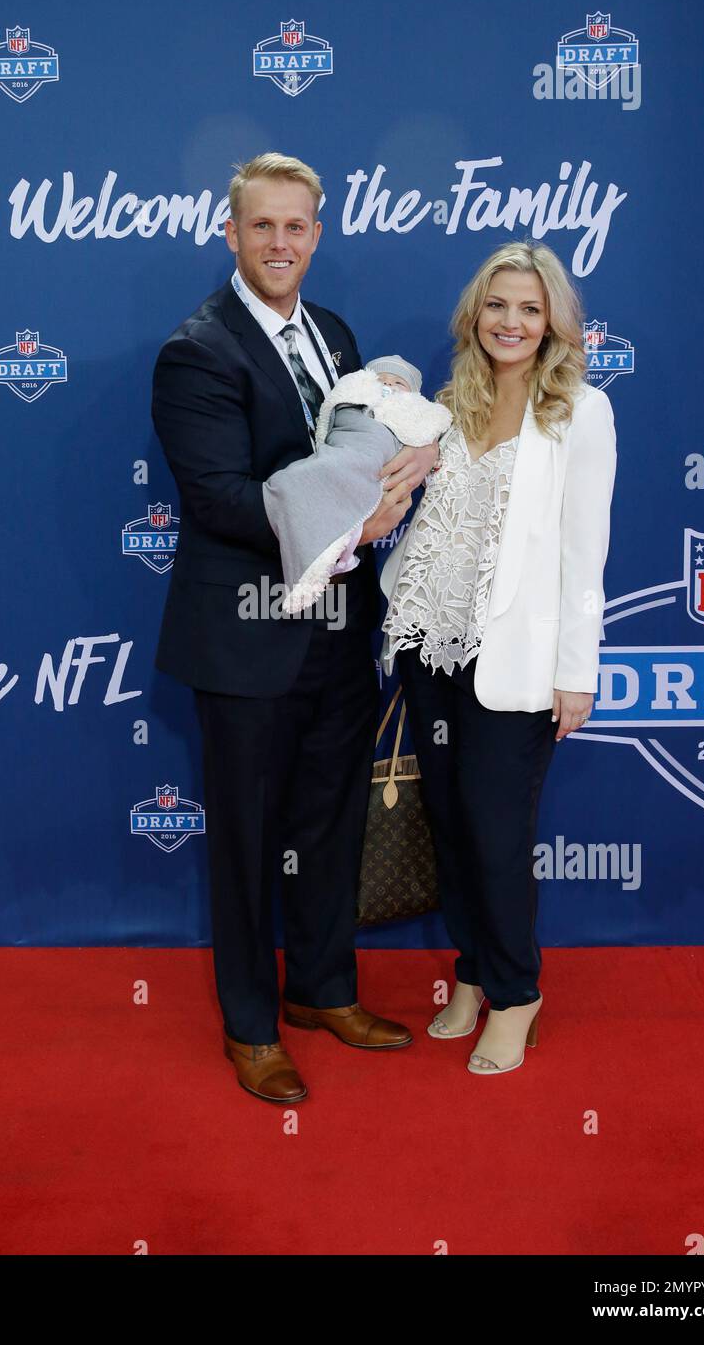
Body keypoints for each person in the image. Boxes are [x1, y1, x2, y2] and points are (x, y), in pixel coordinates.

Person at [151, 152, 439, 1103]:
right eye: (262, 226)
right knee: (244, 839)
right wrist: (358, 521)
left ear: (318, 233)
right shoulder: (198, 350)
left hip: (339, 626)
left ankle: (323, 990)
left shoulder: (338, 334)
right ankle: (250, 1027)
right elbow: (221, 500)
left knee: (330, 820)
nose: (281, 243)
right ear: (230, 233)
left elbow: (369, 447)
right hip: (246, 634)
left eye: (297, 227)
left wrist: (404, 470)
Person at [380, 240, 617, 1075]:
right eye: (496, 306)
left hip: (512, 663)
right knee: (449, 826)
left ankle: (517, 994)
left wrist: (575, 673)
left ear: (553, 320)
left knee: (496, 834)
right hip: (428, 647)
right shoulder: (451, 403)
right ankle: (472, 975)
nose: (511, 322)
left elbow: (583, 556)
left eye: (528, 307)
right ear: (474, 316)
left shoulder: (579, 412)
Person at [262, 355, 450, 613]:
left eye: (398, 383)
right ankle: (317, 560)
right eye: (381, 379)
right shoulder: (354, 397)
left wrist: (429, 446)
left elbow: (430, 430)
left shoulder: (414, 408)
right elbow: (333, 420)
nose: (388, 386)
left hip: (372, 459)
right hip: (344, 448)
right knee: (297, 482)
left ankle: (325, 562)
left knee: (343, 478)